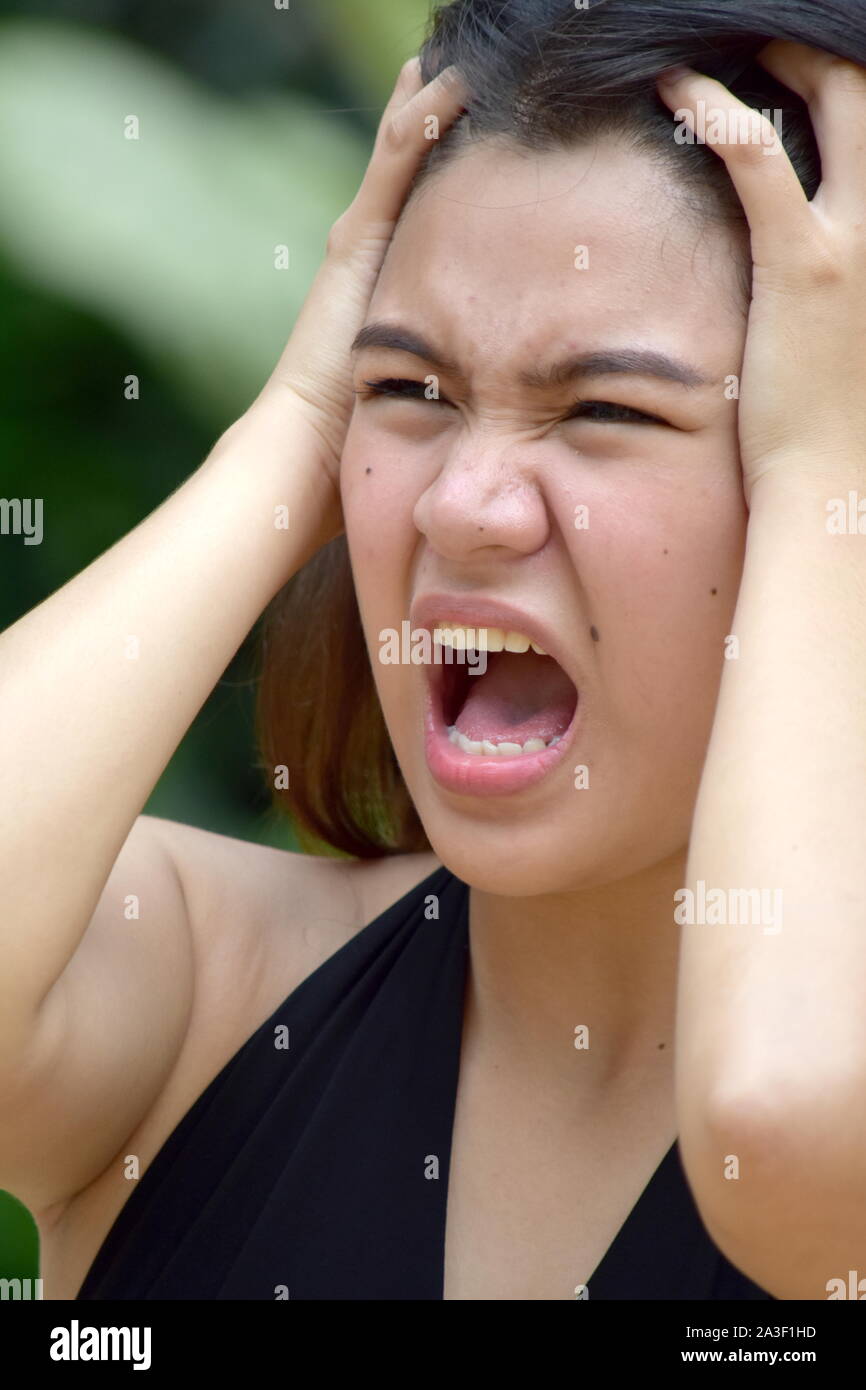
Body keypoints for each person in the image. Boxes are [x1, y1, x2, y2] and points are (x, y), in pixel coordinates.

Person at [2, 0, 866, 1301]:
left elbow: (779, 1127)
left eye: (606, 407)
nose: (462, 503)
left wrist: (821, 478)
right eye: (408, 391)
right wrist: (291, 421)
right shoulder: (215, 998)